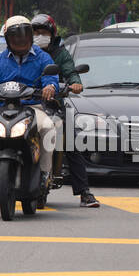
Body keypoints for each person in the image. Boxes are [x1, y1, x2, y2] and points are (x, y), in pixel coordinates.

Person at [0, 16, 56, 218]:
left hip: (32, 108)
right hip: (1, 110)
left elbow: (51, 79)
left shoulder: (43, 58)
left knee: (49, 128)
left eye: (25, 35)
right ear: (8, 39)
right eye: (15, 36)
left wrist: (50, 87)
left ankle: (44, 175)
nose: (21, 40)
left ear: (31, 36)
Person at [32, 13, 99, 208]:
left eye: (43, 32)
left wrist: (75, 83)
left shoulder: (61, 54)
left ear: (52, 34)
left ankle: (84, 192)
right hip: (25, 104)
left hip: (54, 105)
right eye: (35, 32)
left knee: (70, 143)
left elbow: (70, 72)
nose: (39, 36)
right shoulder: (25, 52)